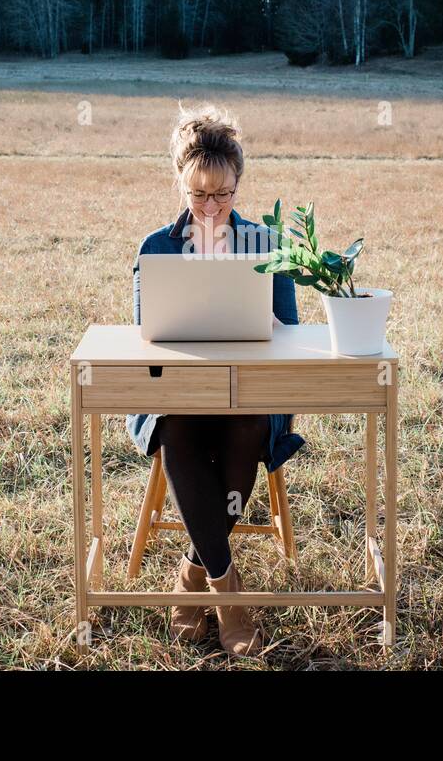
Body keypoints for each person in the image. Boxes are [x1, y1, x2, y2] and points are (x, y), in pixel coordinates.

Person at [126, 104, 304, 657]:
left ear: (238, 184)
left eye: (222, 194)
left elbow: (291, 330)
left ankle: (192, 571)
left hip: (248, 391)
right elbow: (144, 332)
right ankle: (229, 594)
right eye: (198, 194)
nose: (210, 207)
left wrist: (264, 315)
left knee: (247, 424)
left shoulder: (263, 241)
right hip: (177, 394)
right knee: (177, 428)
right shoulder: (156, 247)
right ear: (180, 183)